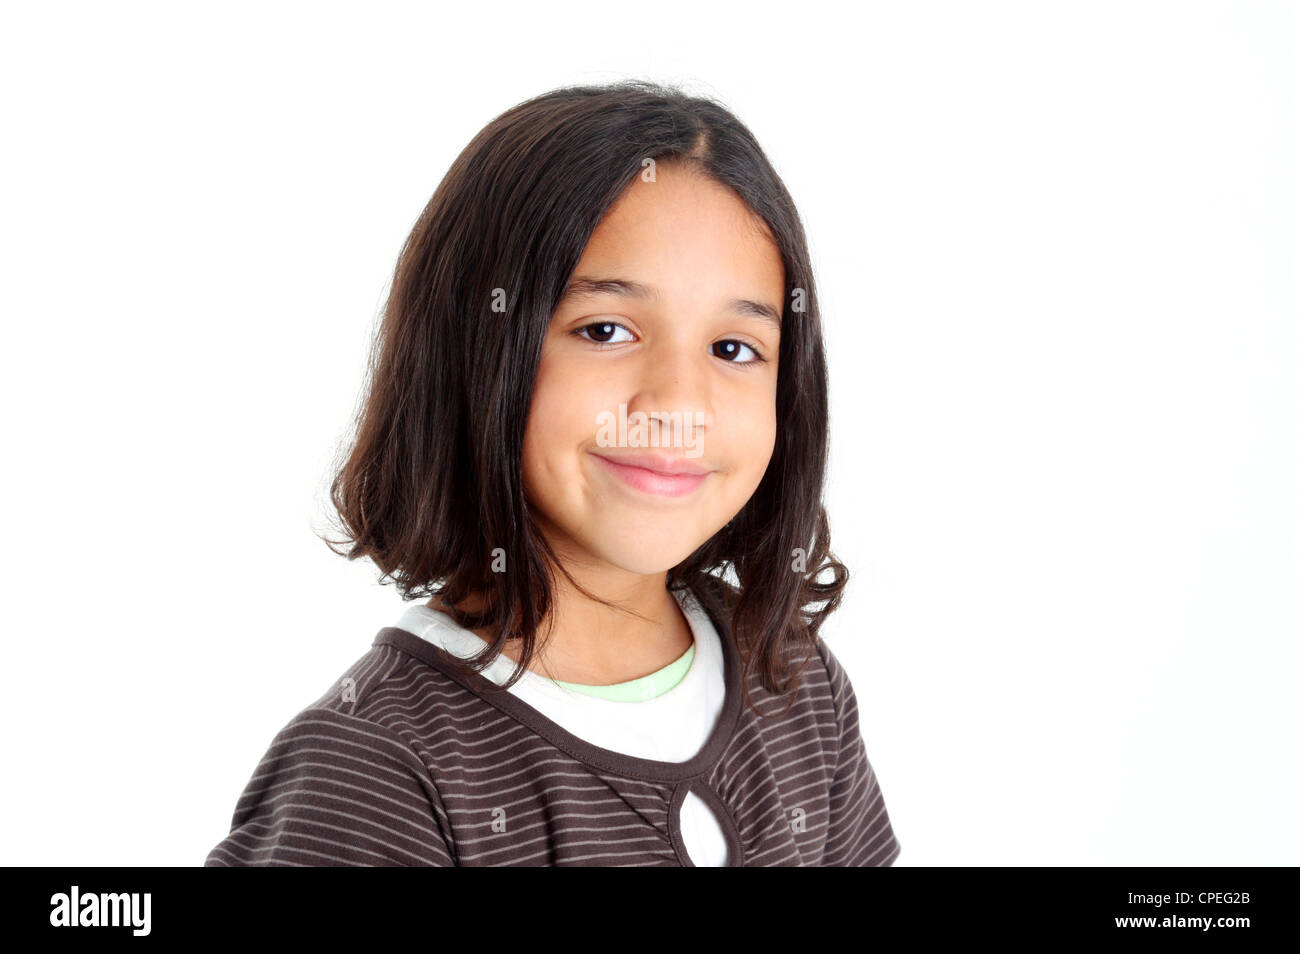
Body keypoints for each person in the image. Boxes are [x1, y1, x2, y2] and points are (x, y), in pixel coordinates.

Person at [205, 79, 900, 867]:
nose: (678, 404)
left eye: (733, 349)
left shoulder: (797, 685)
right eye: (605, 330)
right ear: (472, 348)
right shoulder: (376, 766)